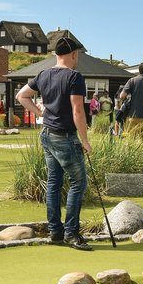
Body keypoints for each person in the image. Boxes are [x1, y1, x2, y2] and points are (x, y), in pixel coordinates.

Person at [16, 36, 93, 251]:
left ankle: (55, 232)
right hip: (65, 136)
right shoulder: (74, 77)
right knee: (78, 183)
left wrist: (40, 113)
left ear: (56, 55)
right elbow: (78, 111)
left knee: (54, 183)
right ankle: (71, 233)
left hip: (47, 134)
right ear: (74, 54)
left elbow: (21, 96)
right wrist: (85, 141)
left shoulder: (43, 74)